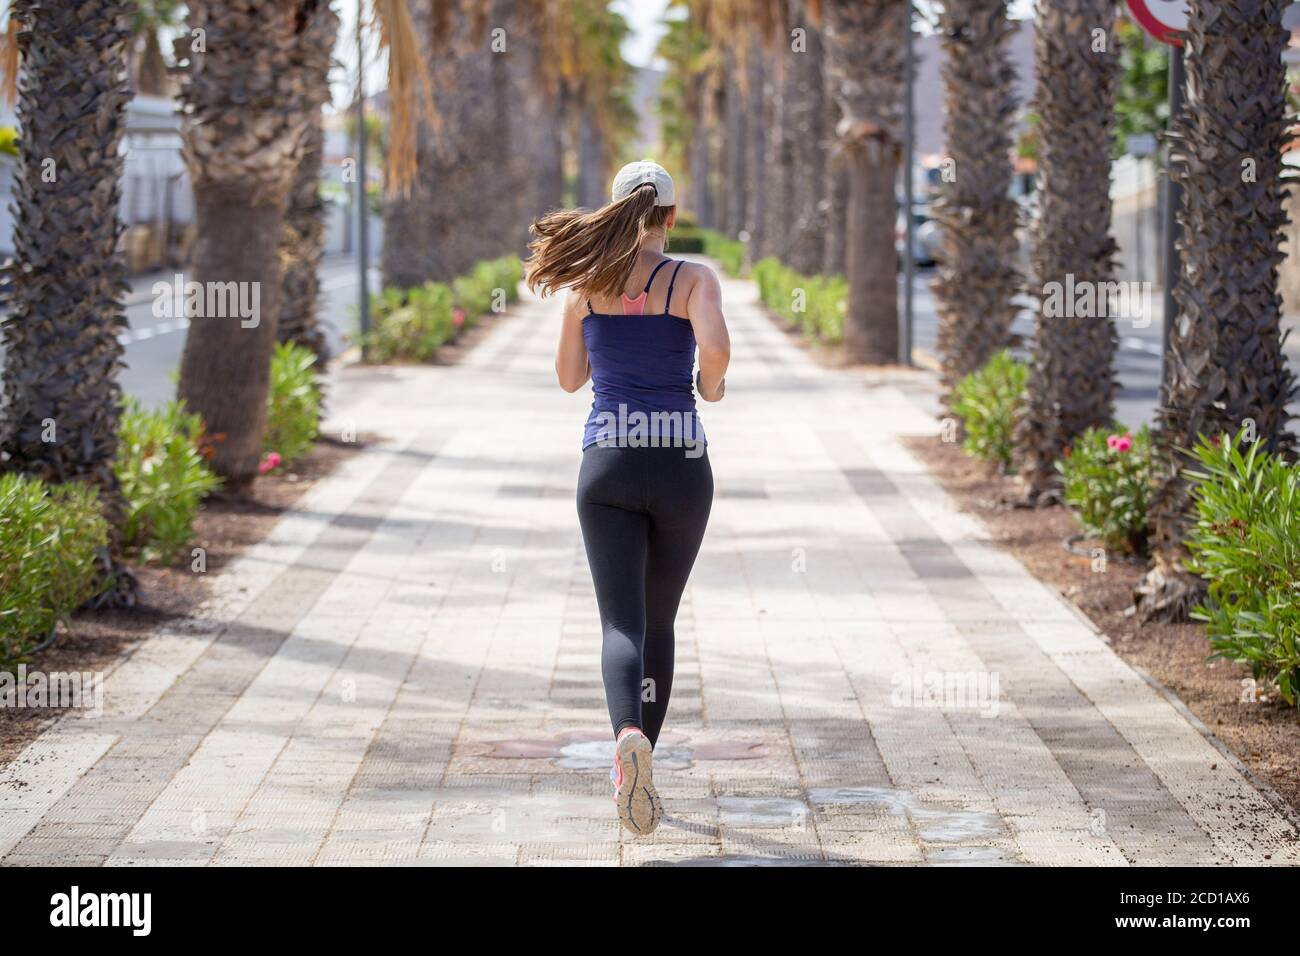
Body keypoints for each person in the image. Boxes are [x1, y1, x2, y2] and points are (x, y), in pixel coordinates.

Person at [526, 161, 730, 835]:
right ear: (670, 217)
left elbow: (567, 379)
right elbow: (717, 353)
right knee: (660, 622)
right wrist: (709, 384)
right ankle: (648, 760)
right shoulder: (693, 279)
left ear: (614, 211)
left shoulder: (585, 288)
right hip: (680, 464)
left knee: (621, 625)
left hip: (607, 466)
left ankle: (625, 742)